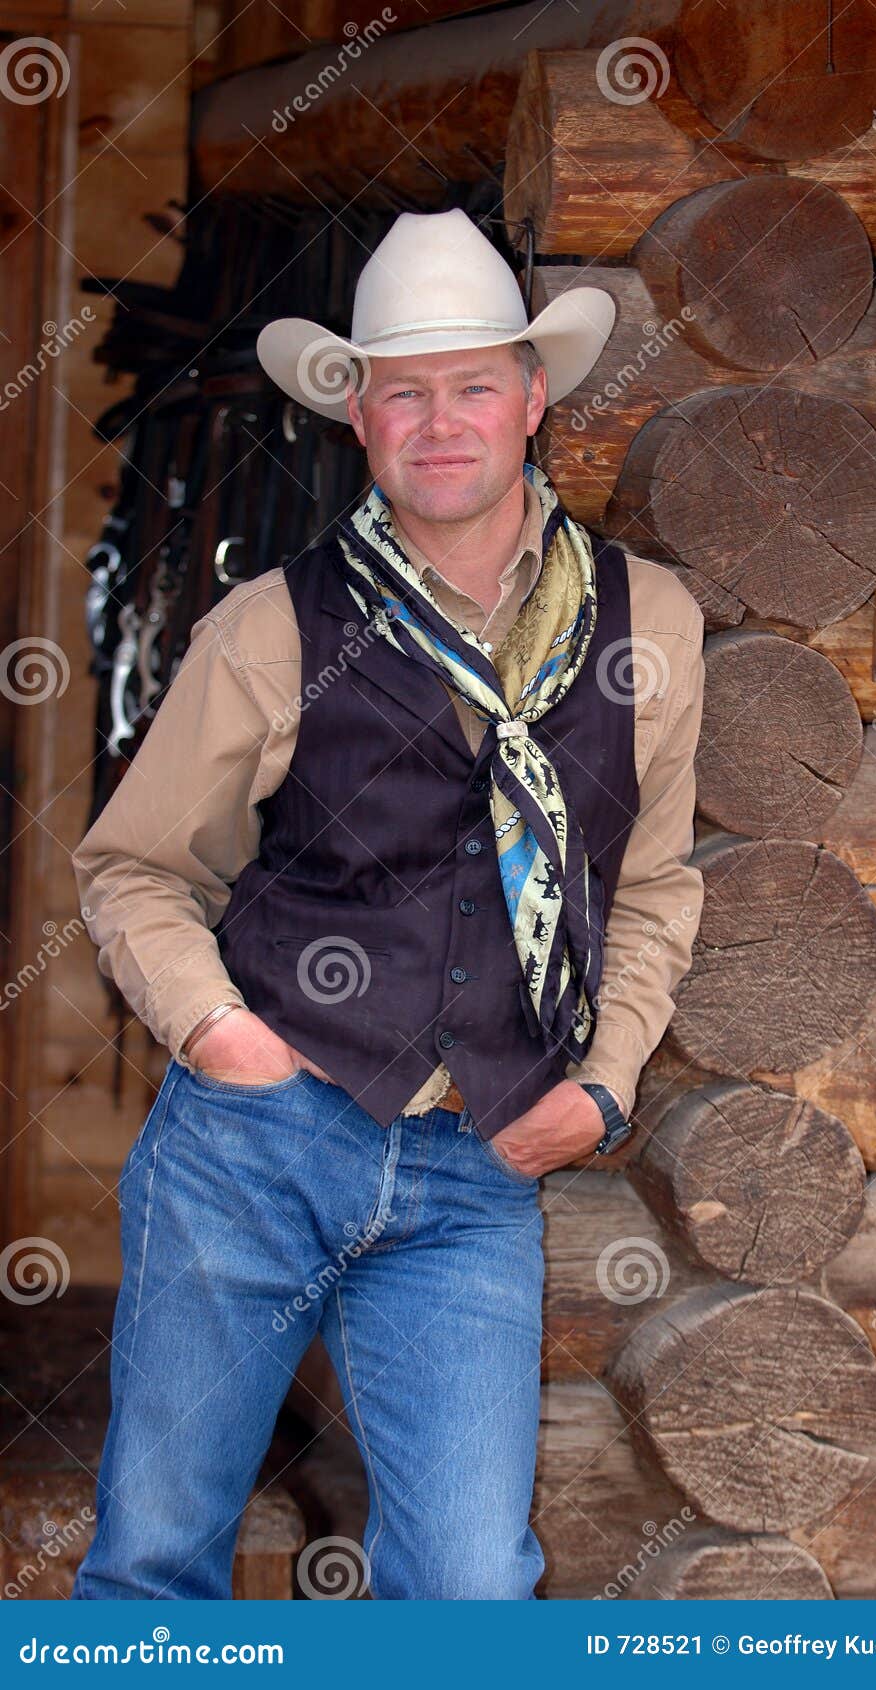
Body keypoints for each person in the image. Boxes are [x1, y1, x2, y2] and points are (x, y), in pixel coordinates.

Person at [70, 208, 705, 1601]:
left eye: (473, 382)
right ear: (357, 414)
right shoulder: (273, 625)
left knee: (473, 1585)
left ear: (533, 397)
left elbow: (649, 883)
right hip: (258, 1142)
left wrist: (601, 1089)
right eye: (402, 390)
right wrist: (221, 1038)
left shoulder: (646, 621)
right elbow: (134, 868)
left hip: (477, 1165)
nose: (440, 422)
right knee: (157, 1557)